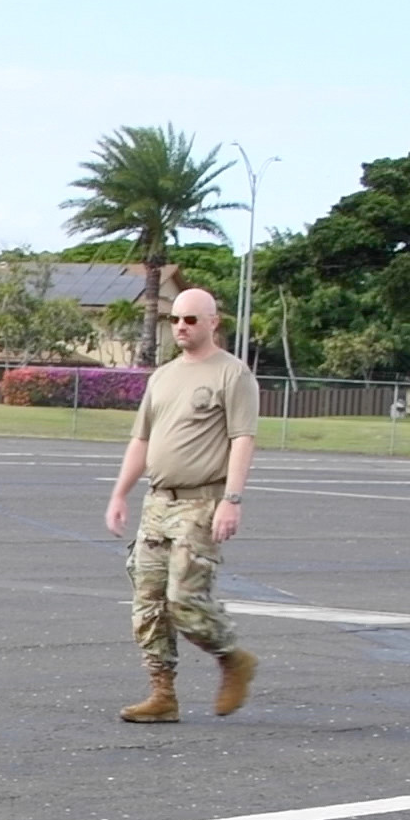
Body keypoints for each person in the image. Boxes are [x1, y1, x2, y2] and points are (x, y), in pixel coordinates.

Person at [101, 287, 261, 724]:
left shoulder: (233, 374)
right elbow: (142, 440)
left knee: (185, 602)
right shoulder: (163, 377)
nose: (181, 327)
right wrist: (120, 493)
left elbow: (243, 439)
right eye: (175, 320)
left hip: (201, 502)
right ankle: (162, 694)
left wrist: (232, 499)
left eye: (191, 319)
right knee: (148, 603)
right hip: (159, 503)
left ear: (213, 322)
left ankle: (232, 658)